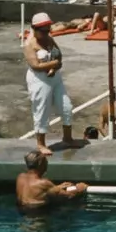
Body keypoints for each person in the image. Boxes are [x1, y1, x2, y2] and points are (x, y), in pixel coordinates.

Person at [24, 12, 81, 156]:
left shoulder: (49, 39)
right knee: (41, 110)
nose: (46, 33)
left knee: (67, 107)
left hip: (54, 77)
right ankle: (40, 144)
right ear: (34, 29)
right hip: (39, 80)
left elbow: (59, 54)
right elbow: (35, 65)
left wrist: (55, 66)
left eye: (47, 30)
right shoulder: (29, 44)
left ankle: (67, 138)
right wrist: (54, 63)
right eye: (42, 31)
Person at [15, 151, 87, 211]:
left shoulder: (20, 177)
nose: (47, 163)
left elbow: (37, 191)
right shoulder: (44, 183)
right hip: (38, 214)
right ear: (40, 163)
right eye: (45, 161)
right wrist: (80, 188)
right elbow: (69, 196)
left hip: (22, 210)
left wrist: (57, 187)